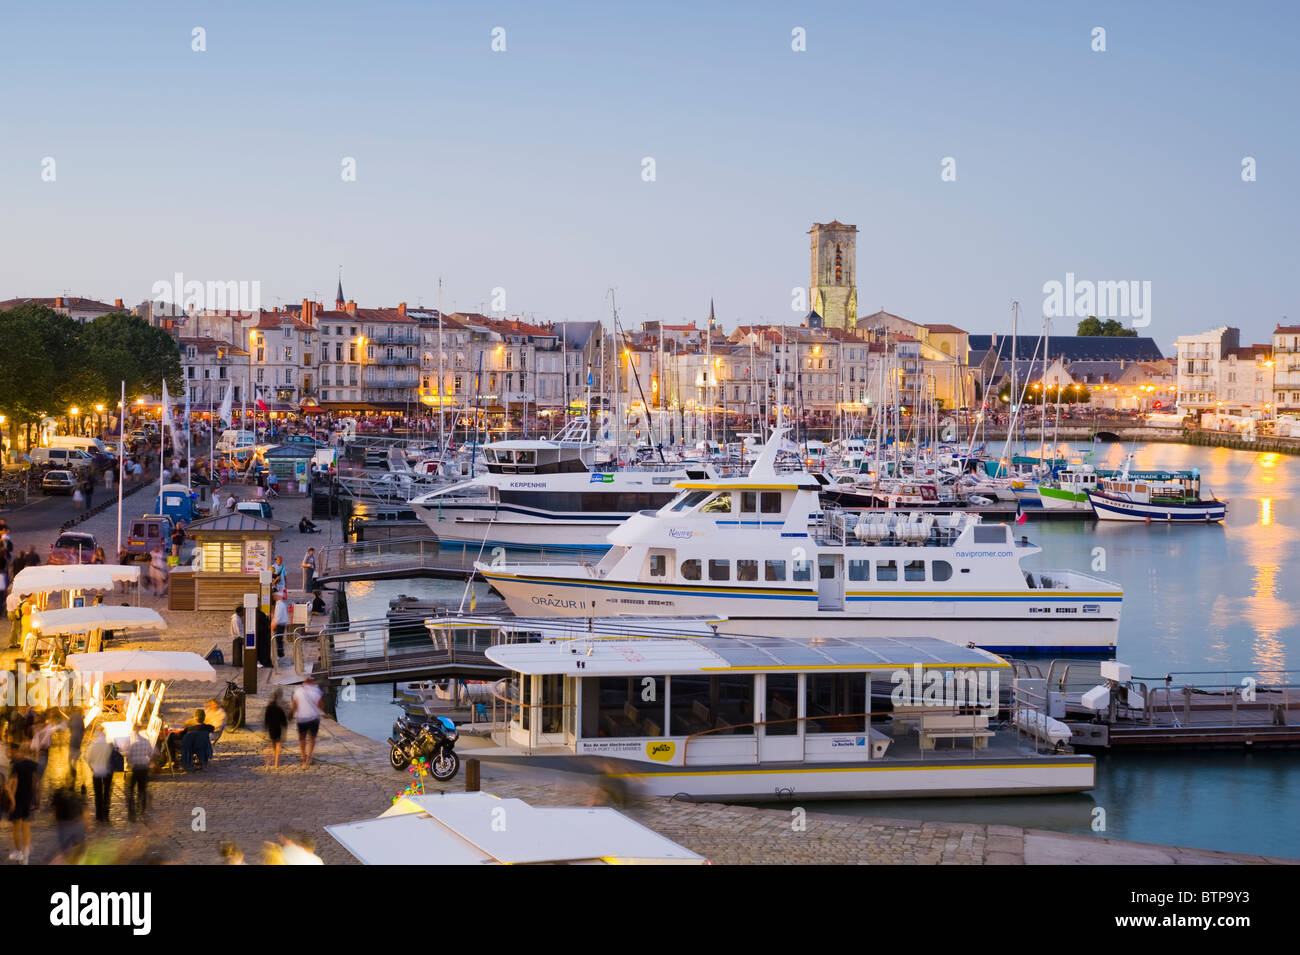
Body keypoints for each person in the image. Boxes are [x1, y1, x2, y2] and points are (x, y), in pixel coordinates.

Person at [6, 743, 39, 863]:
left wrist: (11, 801)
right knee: (26, 826)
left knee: (16, 827)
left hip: (17, 798)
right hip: (28, 798)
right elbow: (37, 783)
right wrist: (37, 800)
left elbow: (13, 784)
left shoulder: (16, 766)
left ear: (21, 751)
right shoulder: (34, 765)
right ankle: (26, 854)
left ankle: (19, 853)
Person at [291, 675, 323, 768]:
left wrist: (291, 714)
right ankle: (309, 757)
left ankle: (302, 755)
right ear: (312, 683)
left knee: (302, 738)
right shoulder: (317, 691)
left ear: (304, 683)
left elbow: (294, 705)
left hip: (301, 718)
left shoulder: (298, 691)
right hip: (313, 718)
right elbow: (320, 705)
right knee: (312, 738)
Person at [125, 725, 153, 820]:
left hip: (134, 768)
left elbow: (128, 757)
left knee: (131, 789)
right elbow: (150, 753)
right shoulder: (145, 741)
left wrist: (129, 762)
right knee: (142, 789)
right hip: (144, 768)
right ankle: (142, 808)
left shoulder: (130, 742)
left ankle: (132, 809)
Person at [264, 688, 288, 768]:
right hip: (278, 728)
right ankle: (276, 763)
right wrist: (285, 730)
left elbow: (266, 719)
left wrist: (266, 728)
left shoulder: (269, 708)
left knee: (273, 743)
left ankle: (269, 761)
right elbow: (284, 721)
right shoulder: (280, 709)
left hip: (271, 728)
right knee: (278, 744)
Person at [272, 592, 290, 662]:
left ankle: (279, 654)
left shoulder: (279, 604)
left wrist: (274, 623)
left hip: (280, 624)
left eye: (275, 596)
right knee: (279, 640)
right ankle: (280, 653)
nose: (274, 597)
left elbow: (278, 616)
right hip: (281, 623)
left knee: (278, 640)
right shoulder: (281, 604)